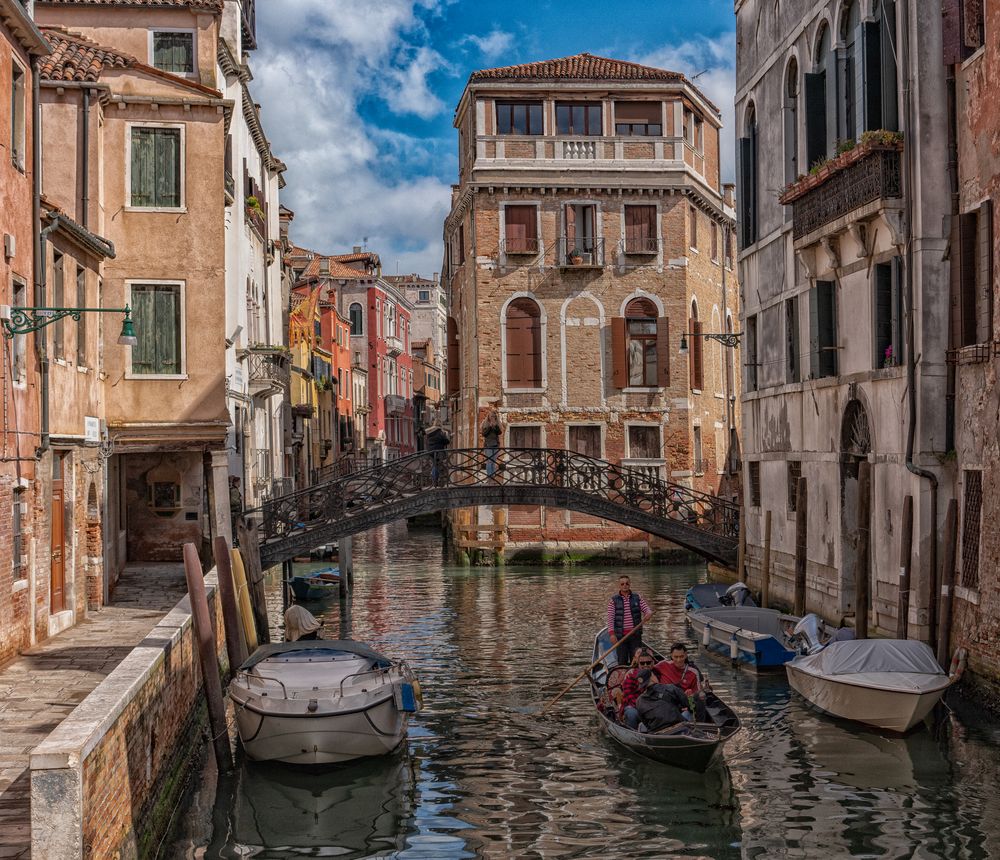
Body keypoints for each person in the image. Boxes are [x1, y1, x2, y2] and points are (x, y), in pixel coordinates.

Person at [653, 642, 708, 721]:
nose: (678, 660)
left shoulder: (693, 672)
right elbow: (648, 670)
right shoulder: (663, 665)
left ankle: (699, 727)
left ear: (685, 655)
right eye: (676, 657)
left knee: (699, 697)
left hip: (684, 706)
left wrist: (689, 698)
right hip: (665, 704)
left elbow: (697, 695)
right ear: (671, 655)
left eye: (681, 656)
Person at [607, 574, 652, 667]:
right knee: (622, 660)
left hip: (635, 635)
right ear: (619, 585)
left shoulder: (637, 597)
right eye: (622, 584)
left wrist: (648, 613)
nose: (625, 585)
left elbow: (646, 609)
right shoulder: (613, 600)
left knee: (636, 659)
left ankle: (635, 677)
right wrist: (612, 634)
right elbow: (610, 618)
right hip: (621, 636)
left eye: (627, 583)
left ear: (630, 584)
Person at [619, 648, 657, 729]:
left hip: (654, 708)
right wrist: (646, 708)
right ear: (638, 664)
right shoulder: (631, 676)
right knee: (631, 712)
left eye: (648, 662)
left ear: (653, 663)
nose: (646, 665)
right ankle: (631, 734)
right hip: (636, 708)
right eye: (642, 663)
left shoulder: (657, 674)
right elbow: (629, 698)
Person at [425, 417, 451, 486]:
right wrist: (448, 437)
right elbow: (446, 441)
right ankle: (437, 480)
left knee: (434, 465)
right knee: (438, 465)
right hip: (438, 451)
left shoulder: (429, 432)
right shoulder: (439, 432)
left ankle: (434, 479)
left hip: (430, 451)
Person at [481, 407, 502, 477]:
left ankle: (493, 476)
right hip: (488, 445)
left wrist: (495, 426)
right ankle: (489, 476)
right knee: (489, 461)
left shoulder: (497, 424)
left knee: (493, 461)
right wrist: (490, 427)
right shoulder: (485, 424)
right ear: (489, 417)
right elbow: (484, 434)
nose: (493, 417)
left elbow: (499, 432)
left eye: (494, 416)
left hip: (496, 445)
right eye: (491, 416)